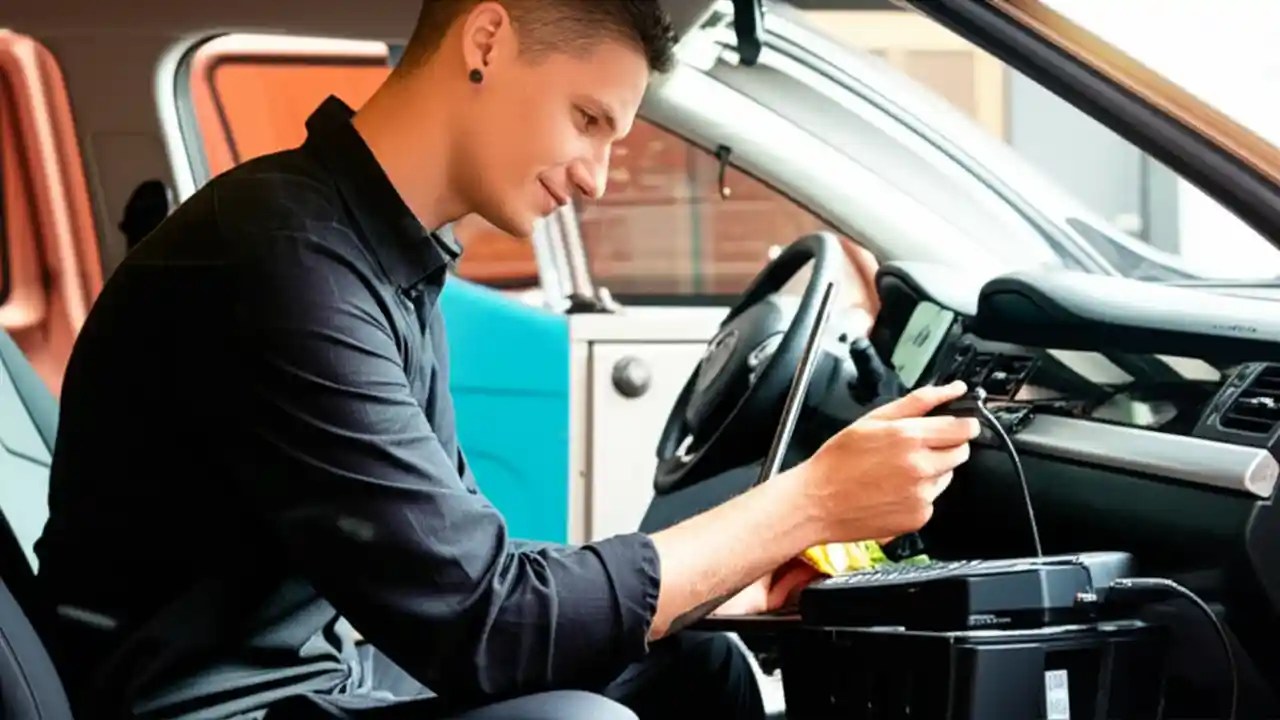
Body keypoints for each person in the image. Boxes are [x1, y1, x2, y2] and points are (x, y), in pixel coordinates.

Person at [33, 1, 979, 719]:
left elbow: (465, 567)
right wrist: (806, 504)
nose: (596, 176)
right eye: (587, 119)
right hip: (218, 707)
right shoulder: (281, 263)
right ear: (486, 40)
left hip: (314, 675)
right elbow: (486, 625)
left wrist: (727, 573)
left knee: (699, 668)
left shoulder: (375, 255)